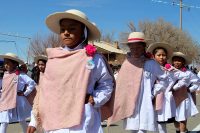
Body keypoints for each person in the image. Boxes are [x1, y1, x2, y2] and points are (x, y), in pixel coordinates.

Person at [27, 9, 114, 133]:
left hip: (82, 120)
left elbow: (106, 83)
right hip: (55, 119)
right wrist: (34, 120)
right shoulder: (53, 58)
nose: (66, 33)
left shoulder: (93, 58)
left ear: (83, 31)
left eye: (72, 29)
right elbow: (44, 92)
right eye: (63, 29)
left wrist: (95, 98)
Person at [108, 32, 167, 133]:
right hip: (131, 101)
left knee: (143, 129)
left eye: (138, 47)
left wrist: (155, 91)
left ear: (144, 47)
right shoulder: (127, 63)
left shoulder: (151, 63)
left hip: (145, 101)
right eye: (132, 48)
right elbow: (121, 83)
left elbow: (164, 78)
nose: (135, 50)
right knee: (133, 128)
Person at [0, 53, 36, 133]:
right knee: (4, 121)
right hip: (6, 100)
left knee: (21, 120)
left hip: (18, 100)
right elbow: (4, 87)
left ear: (14, 64)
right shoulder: (5, 75)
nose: (5, 65)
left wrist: (25, 93)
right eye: (5, 63)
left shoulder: (20, 74)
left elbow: (32, 83)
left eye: (8, 63)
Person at [170, 52, 199, 133]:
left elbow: (197, 83)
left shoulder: (188, 72)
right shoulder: (169, 71)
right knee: (174, 118)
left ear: (183, 62)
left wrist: (189, 90)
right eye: (175, 60)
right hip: (172, 97)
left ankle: (183, 131)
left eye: (179, 61)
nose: (177, 62)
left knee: (182, 117)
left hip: (184, 97)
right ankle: (180, 130)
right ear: (172, 61)